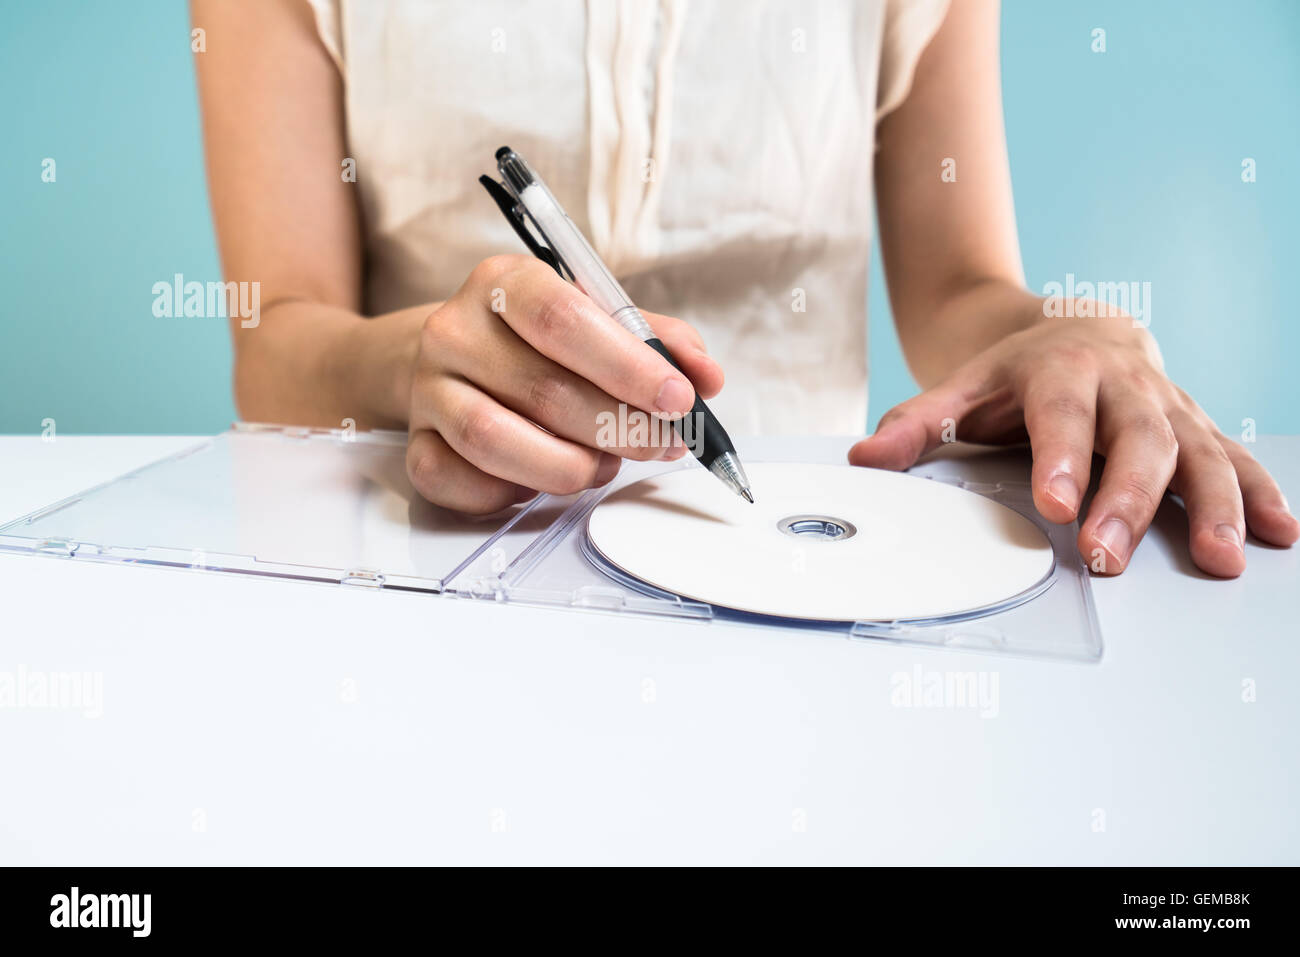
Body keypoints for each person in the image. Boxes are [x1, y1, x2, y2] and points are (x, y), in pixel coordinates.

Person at [191, 0, 1297, 577]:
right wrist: (407, 365)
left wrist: (1061, 335)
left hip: (803, 561)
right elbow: (276, 335)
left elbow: (960, 289)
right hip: (422, 538)